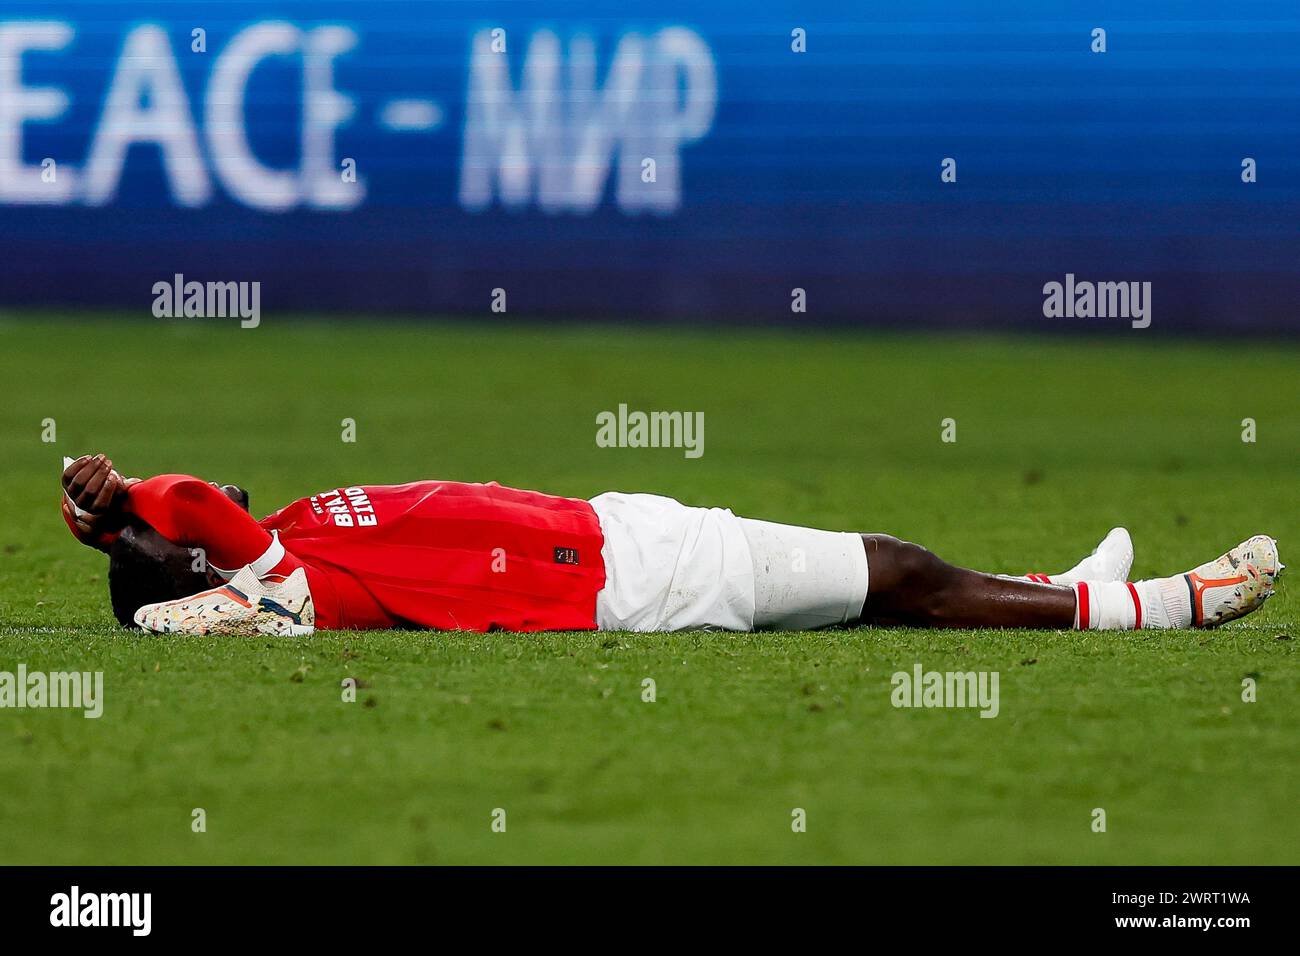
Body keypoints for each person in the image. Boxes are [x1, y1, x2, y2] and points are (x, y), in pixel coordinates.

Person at [60, 453, 1280, 637]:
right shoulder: (285, 585)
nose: (205, 498)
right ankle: (1159, 607)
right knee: (894, 570)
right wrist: (129, 509)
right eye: (176, 534)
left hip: (615, 530)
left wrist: (124, 526)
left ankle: (1057, 589)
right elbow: (195, 514)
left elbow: (202, 509)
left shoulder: (285, 531)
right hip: (643, 580)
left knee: (891, 574)